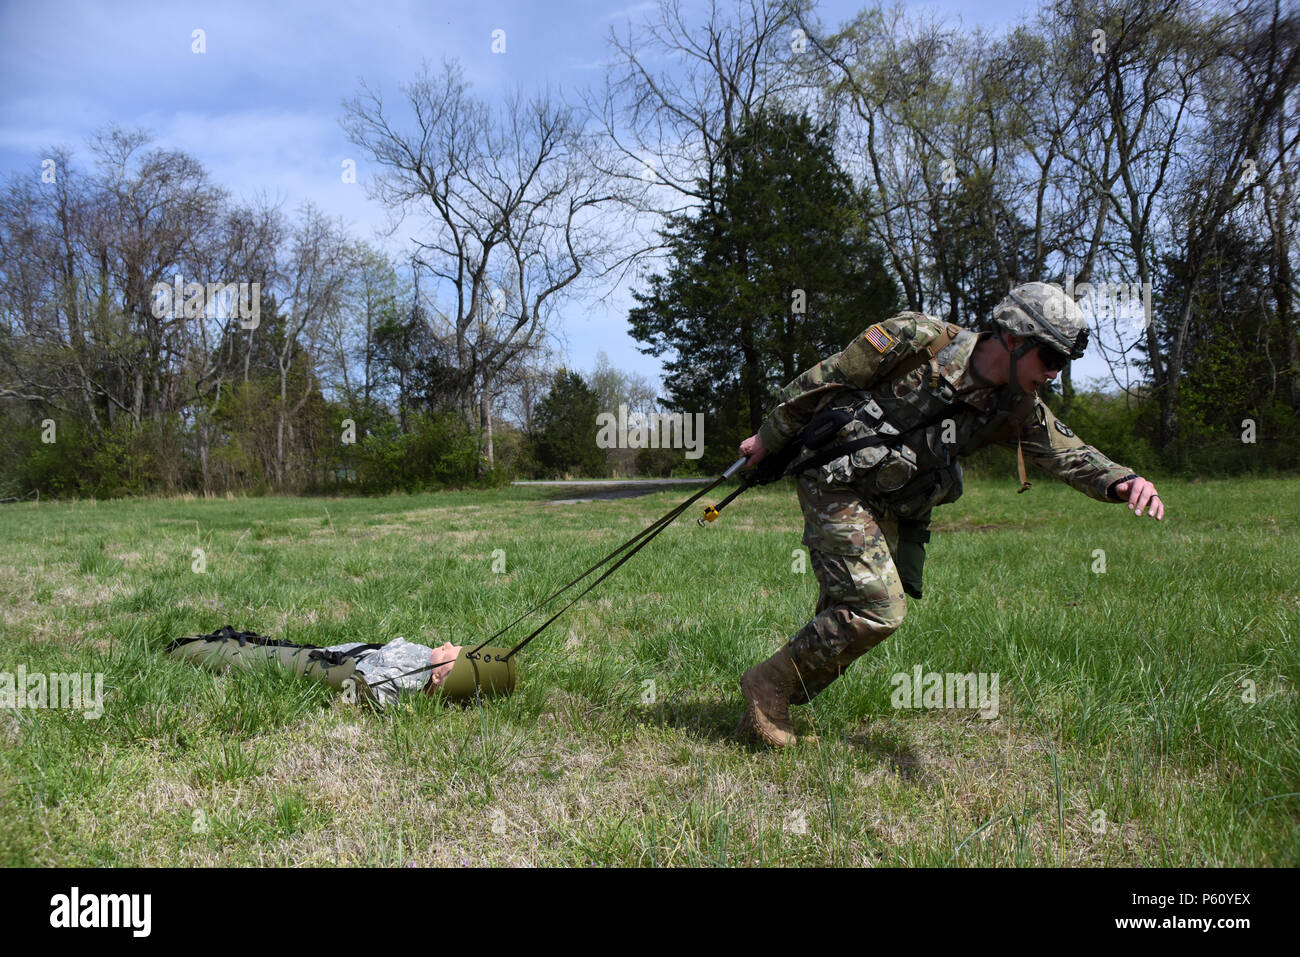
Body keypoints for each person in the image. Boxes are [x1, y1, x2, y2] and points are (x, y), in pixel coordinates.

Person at [735, 282, 1164, 747]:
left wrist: (1120, 480)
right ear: (1015, 339)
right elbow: (826, 378)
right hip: (833, 481)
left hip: (892, 503)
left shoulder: (1015, 405)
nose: (1055, 374)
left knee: (846, 612)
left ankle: (771, 702)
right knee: (877, 607)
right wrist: (769, 438)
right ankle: (768, 685)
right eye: (1051, 359)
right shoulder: (914, 337)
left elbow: (1068, 452)